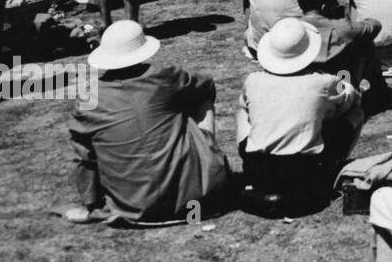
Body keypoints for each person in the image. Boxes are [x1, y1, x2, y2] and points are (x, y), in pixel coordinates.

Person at [67, 21, 231, 224]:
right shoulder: (166, 77)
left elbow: (84, 156)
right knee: (197, 100)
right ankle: (206, 169)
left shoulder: (88, 97)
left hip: (132, 206)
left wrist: (91, 205)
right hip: (195, 201)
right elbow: (205, 85)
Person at [236, 17, 363, 213]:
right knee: (356, 112)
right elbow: (352, 100)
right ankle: (335, 165)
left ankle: (250, 158)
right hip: (306, 169)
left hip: (259, 168)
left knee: (243, 109)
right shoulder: (326, 82)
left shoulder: (253, 80)